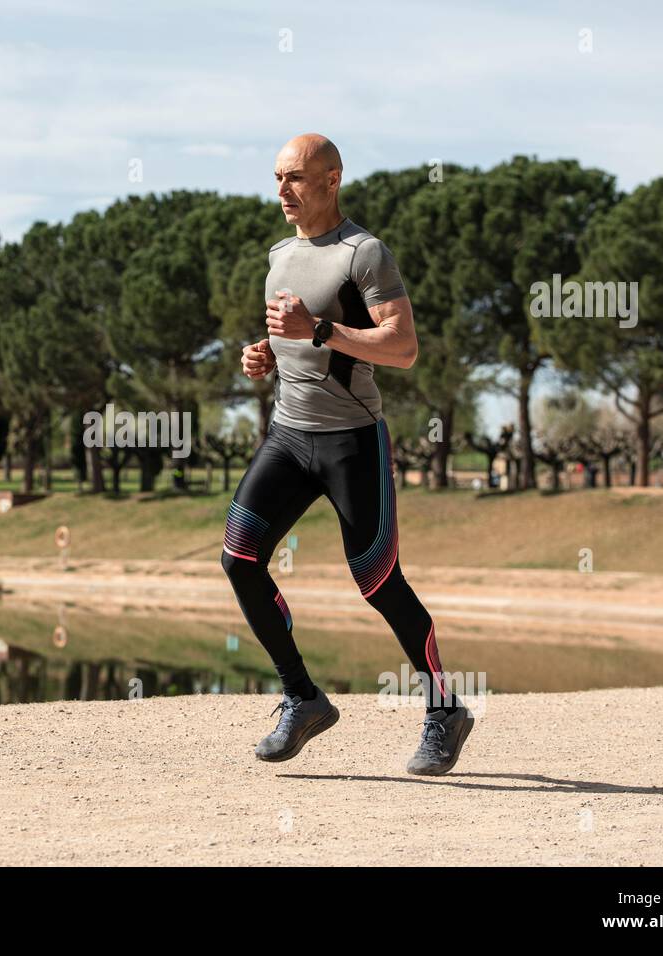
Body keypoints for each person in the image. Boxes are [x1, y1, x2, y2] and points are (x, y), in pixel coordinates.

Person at [222, 133, 475, 775]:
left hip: (351, 442)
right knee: (239, 557)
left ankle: (446, 709)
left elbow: (402, 347)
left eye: (296, 178)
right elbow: (295, 336)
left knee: (378, 580)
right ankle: (302, 696)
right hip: (287, 433)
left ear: (332, 180)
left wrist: (321, 331)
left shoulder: (366, 253)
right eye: (277, 177)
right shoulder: (280, 255)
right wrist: (264, 352)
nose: (282, 190)